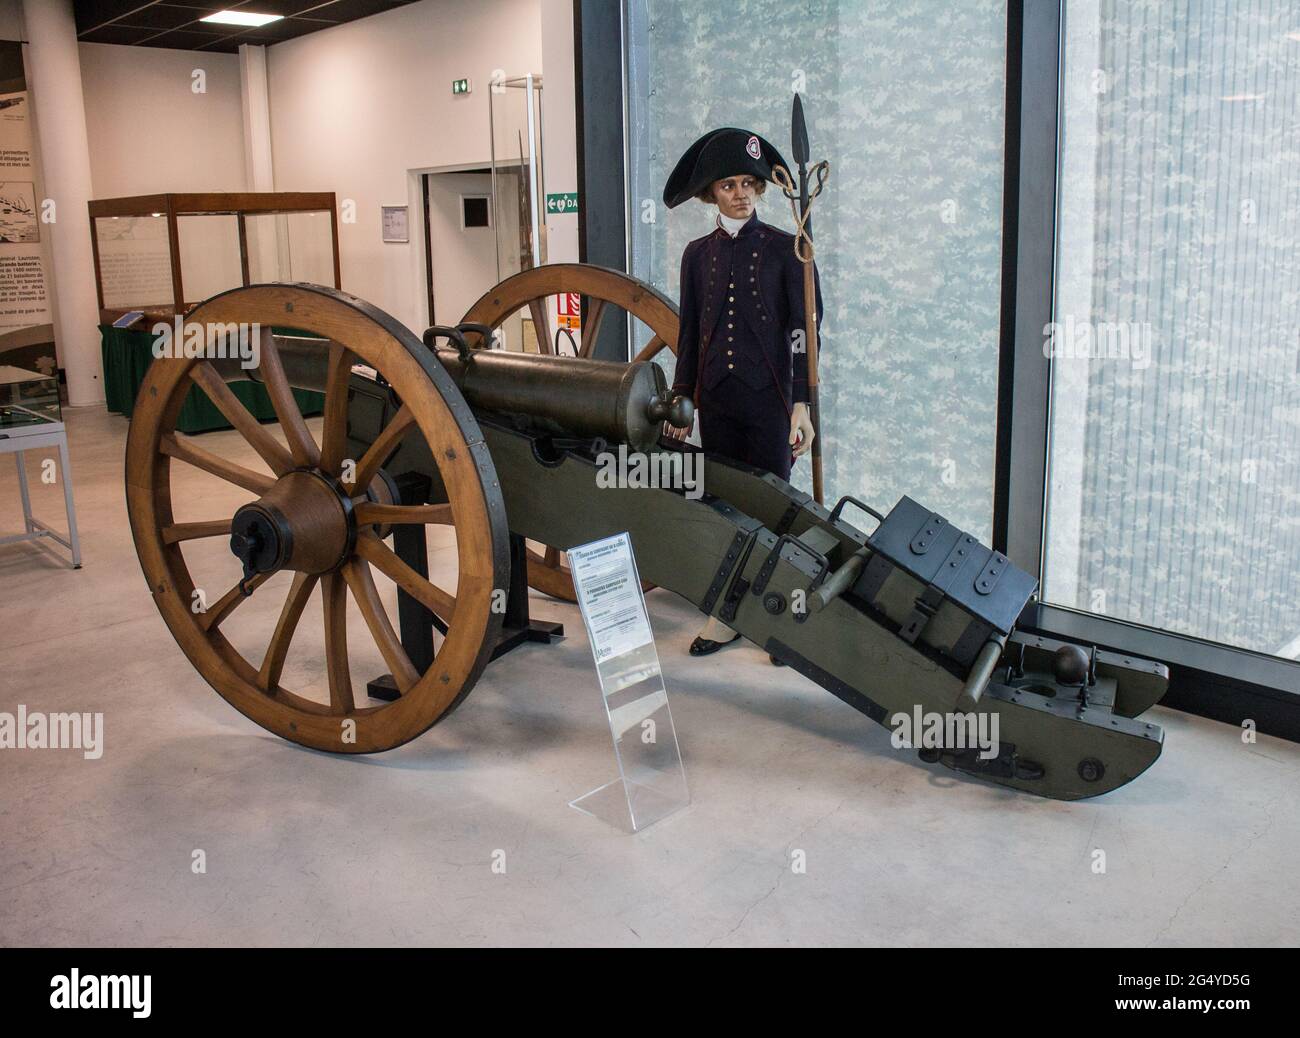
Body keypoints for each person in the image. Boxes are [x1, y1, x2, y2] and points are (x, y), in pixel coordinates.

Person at [661, 127, 823, 660]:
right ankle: (727, 613)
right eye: (728, 185)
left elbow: (805, 334)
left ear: (759, 188)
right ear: (712, 194)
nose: (740, 193)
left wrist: (802, 405)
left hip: (771, 403)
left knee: (778, 510)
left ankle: (784, 621)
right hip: (719, 402)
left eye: (748, 183)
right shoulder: (695, 256)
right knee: (725, 508)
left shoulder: (787, 249)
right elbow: (688, 334)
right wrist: (683, 399)